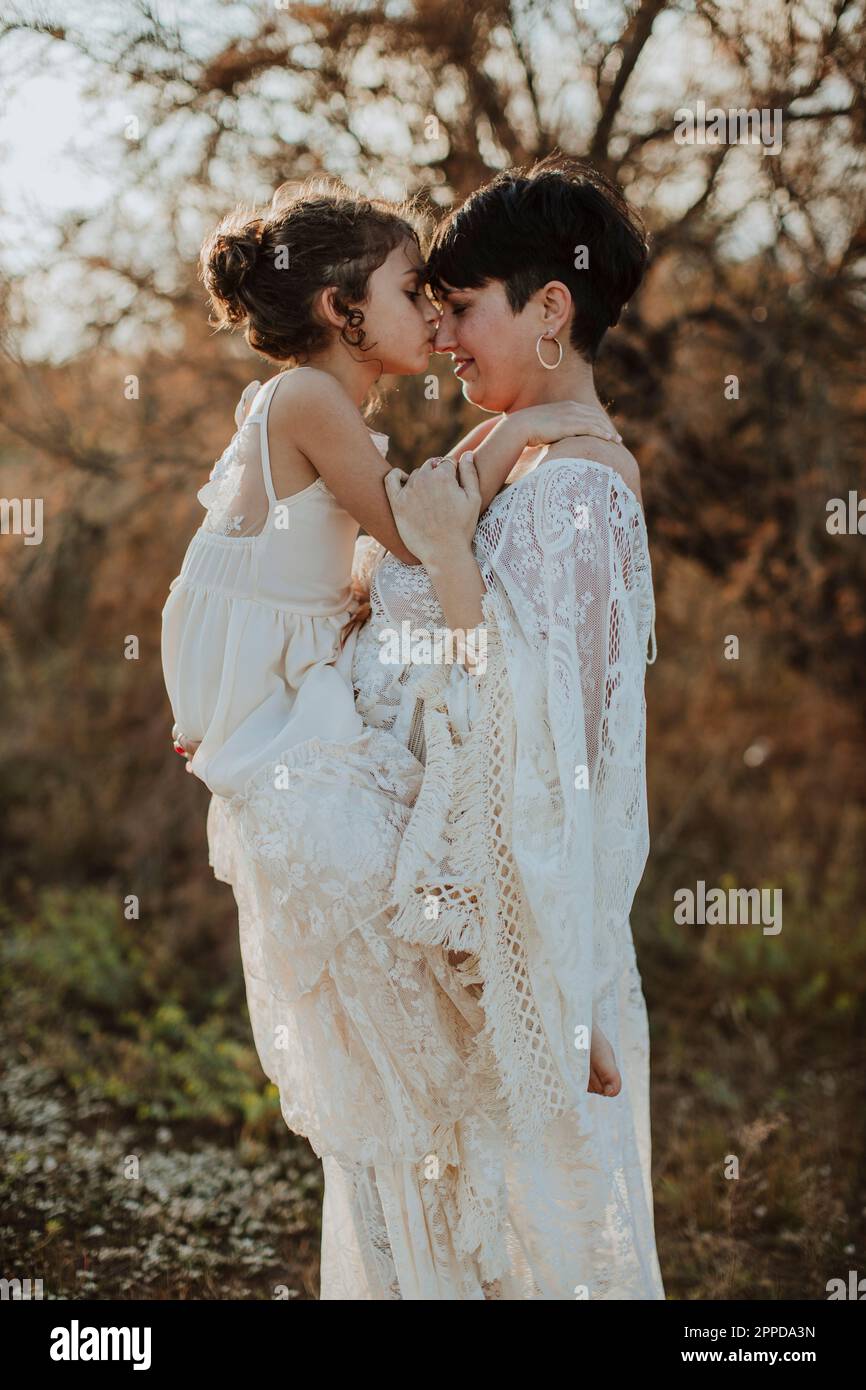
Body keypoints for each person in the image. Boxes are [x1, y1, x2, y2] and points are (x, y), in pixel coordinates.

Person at [161, 175, 621, 1298]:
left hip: (276, 691)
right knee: (419, 877)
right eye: (411, 290)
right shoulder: (310, 400)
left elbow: (375, 543)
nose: (430, 313)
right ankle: (549, 1006)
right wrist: (543, 424)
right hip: (277, 717)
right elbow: (421, 532)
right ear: (338, 308)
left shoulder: (322, 408)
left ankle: (543, 1005)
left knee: (425, 868)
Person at [337, 153, 665, 1299]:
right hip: (474, 924)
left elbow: (549, 747)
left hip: (521, 933)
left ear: (550, 309)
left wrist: (433, 557)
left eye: (463, 307)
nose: (443, 335)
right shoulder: (521, 466)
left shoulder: (574, 497)